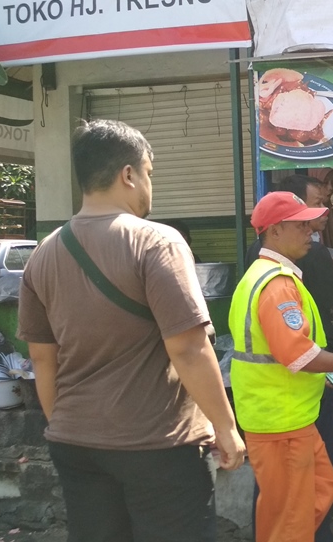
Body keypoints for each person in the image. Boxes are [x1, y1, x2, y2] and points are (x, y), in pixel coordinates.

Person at [18, 120, 246, 542]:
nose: (148, 185)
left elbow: (41, 358)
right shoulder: (157, 241)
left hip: (76, 445)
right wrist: (226, 426)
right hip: (157, 445)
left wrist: (70, 425)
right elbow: (189, 348)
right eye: (149, 173)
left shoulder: (43, 254)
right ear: (128, 174)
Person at [230, 191, 333, 541]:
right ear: (275, 231)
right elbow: (297, 354)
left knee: (313, 493)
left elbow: (282, 352)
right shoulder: (276, 285)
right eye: (300, 225)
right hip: (281, 421)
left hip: (287, 417)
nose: (311, 231)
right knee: (292, 517)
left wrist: (325, 373)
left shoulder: (269, 276)